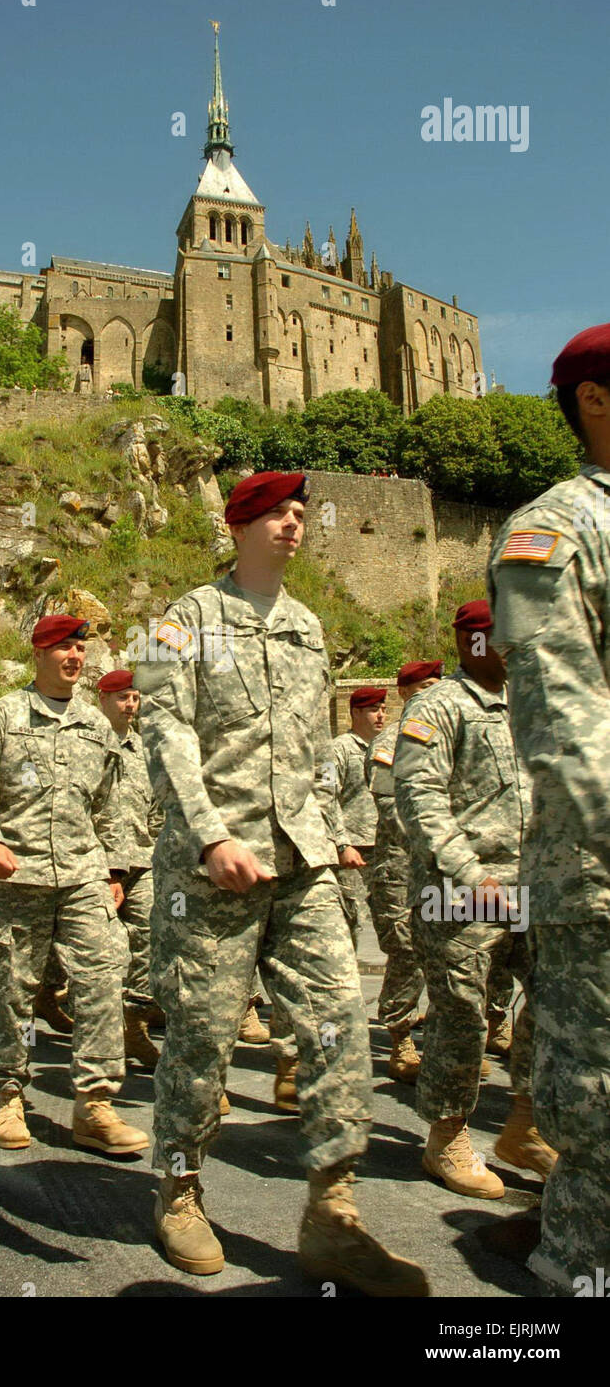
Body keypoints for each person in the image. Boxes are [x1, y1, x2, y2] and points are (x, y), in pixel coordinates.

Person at [135, 470, 427, 1294]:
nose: (294, 525)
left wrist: (332, 837)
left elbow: (308, 755)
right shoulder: (179, 621)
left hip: (302, 862)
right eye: (276, 513)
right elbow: (163, 730)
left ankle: (333, 1212)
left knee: (338, 1021)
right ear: (239, 525)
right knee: (200, 1039)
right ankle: (180, 1189)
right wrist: (209, 835)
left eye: (301, 513)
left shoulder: (307, 626)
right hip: (214, 866)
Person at [487, 321, 610, 1293]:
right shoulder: (550, 531)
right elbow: (561, 716)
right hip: (597, 876)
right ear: (592, 403)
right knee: (601, 1113)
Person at [0, 615, 148, 1156]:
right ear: (38, 654)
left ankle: (95, 1104)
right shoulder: (1, 718)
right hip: (18, 875)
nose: (74, 656)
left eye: (80, 647)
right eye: (62, 647)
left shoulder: (95, 724)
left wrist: (114, 869)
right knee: (11, 986)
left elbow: (110, 805)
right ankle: (10, 1093)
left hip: (83, 875)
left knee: (103, 977)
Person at [392, 601, 555, 1198]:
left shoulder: (530, 709)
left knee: (557, 1000)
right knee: (464, 1015)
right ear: (471, 643)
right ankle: (448, 1136)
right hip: (459, 895)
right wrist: (470, 874)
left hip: (533, 887)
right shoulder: (439, 706)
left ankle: (525, 1124)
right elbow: (418, 797)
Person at [365, 660, 442, 1082]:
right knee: (407, 952)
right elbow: (388, 803)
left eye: (437, 685)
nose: (432, 694)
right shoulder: (390, 742)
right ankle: (400, 1036)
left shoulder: (447, 737)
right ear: (404, 694)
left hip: (445, 869)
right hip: (400, 867)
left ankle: (452, 1037)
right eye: (423, 687)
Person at [96, 669, 162, 1069]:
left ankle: (133, 1026)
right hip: (96, 863)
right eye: (122, 697)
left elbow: (154, 808)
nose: (131, 705)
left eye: (135, 697)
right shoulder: (87, 742)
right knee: (103, 950)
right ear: (102, 699)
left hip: (141, 859)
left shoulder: (145, 750)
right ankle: (99, 1034)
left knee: (149, 938)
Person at [329, 686, 387, 952]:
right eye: (374, 710)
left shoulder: (386, 747)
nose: (381, 716)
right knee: (348, 921)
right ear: (355, 713)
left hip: (385, 849)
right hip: (352, 853)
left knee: (395, 925)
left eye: (384, 709)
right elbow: (326, 797)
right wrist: (341, 844)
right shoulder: (338, 750)